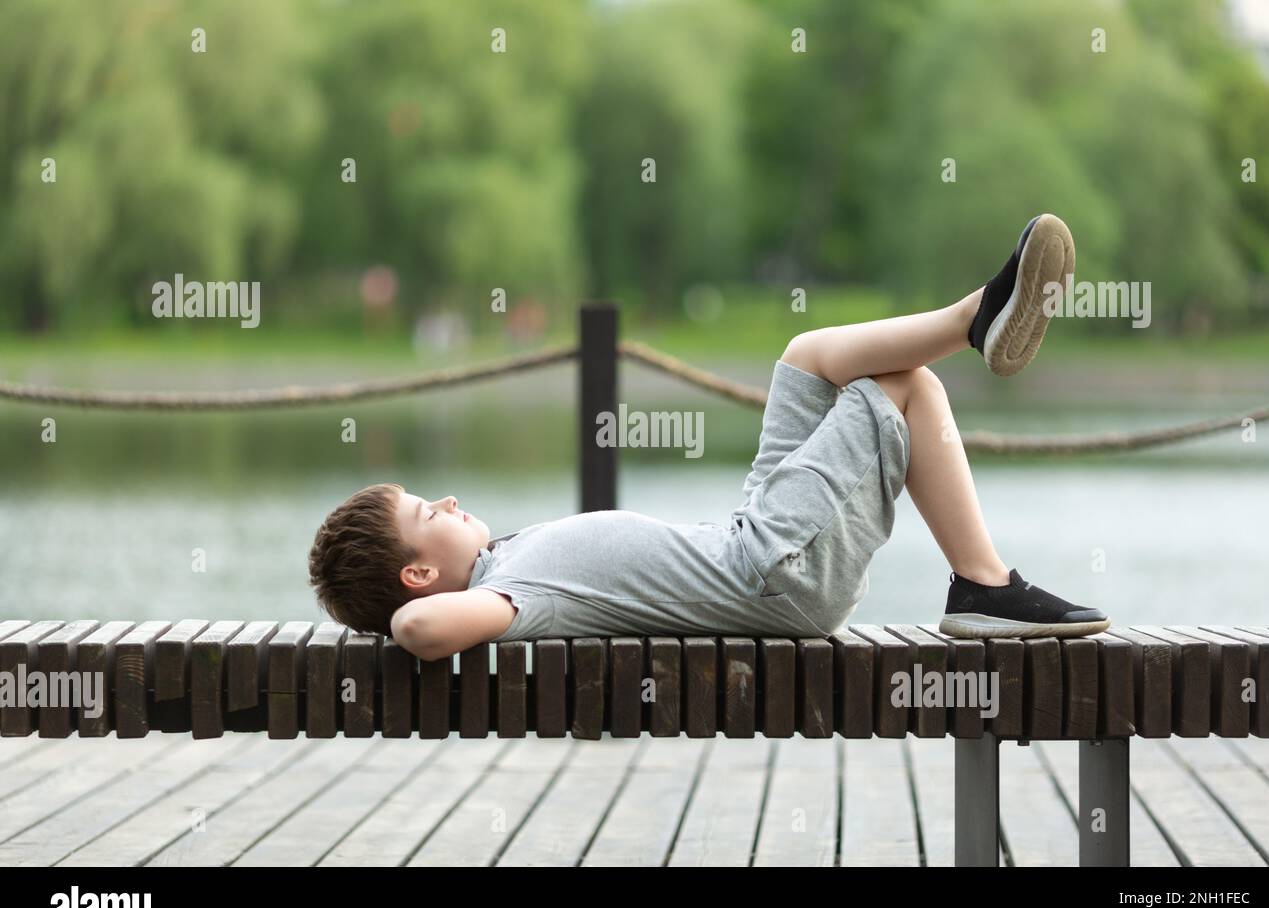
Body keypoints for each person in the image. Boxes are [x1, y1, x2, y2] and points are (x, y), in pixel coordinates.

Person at [308, 214, 1109, 662]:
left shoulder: (503, 563)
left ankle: (977, 315)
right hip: (771, 569)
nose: (446, 500)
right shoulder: (504, 598)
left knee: (804, 360)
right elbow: (418, 629)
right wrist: (418, 615)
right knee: (897, 389)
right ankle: (985, 585)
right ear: (419, 571)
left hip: (750, 539)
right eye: (426, 512)